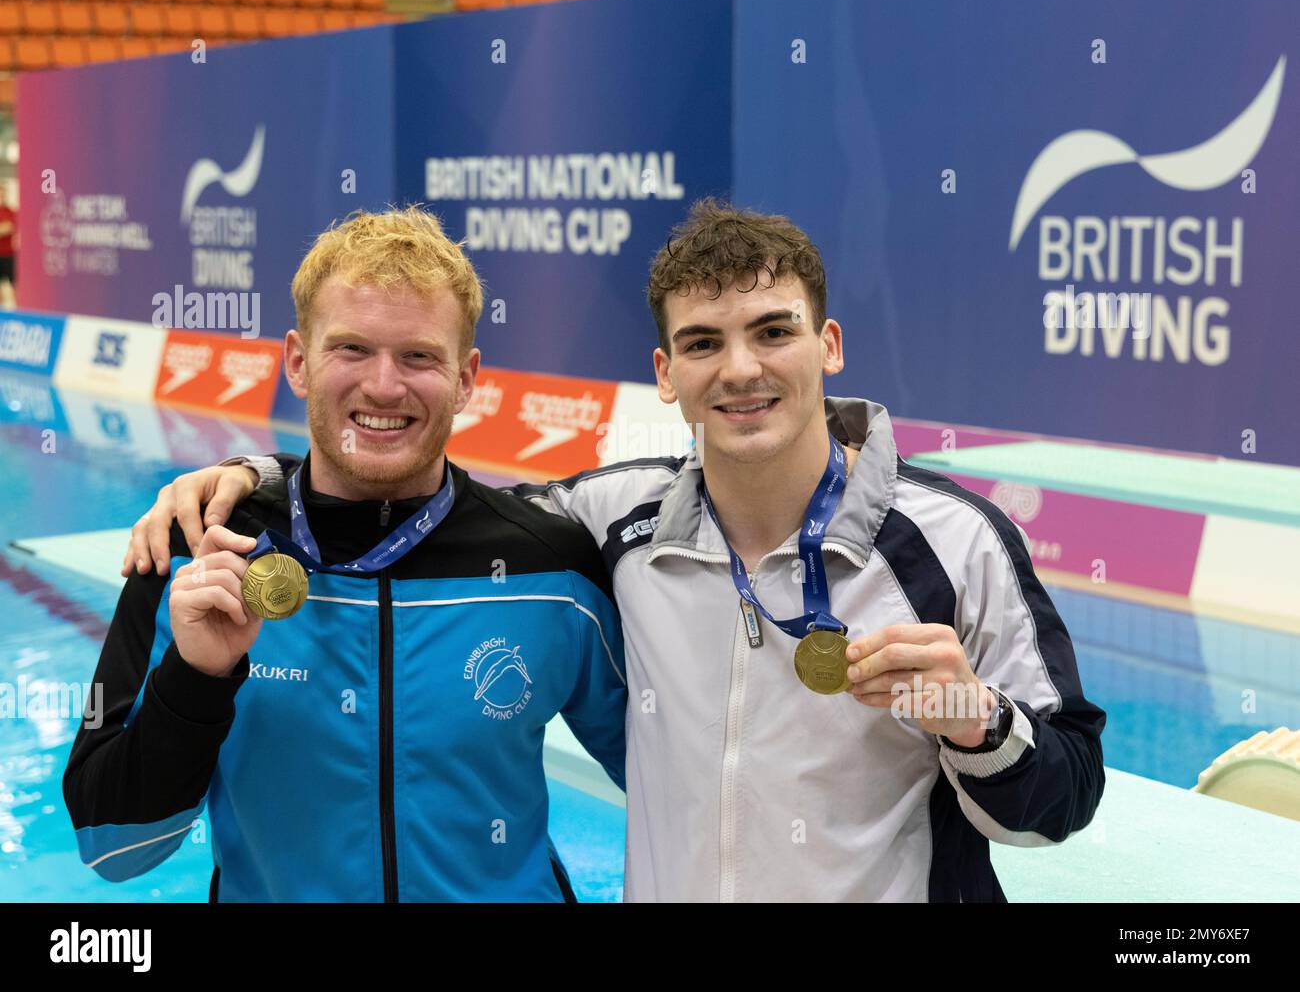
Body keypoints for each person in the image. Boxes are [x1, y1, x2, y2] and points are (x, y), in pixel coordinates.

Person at [125, 200, 1106, 902]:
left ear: (829, 343)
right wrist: (258, 477)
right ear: (663, 373)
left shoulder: (955, 542)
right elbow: (417, 501)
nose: (742, 367)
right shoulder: (608, 524)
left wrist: (973, 717)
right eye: (702, 341)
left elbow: (1064, 797)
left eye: (774, 331)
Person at [65, 207, 627, 902]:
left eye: (419, 355)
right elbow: (109, 847)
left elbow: (682, 787)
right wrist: (196, 678)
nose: (384, 386)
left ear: (467, 377)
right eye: (352, 349)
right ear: (298, 361)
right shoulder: (193, 551)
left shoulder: (551, 568)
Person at [0, 187, 16, 308]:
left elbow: (9, 228)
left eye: (2, 195)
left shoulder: (10, 212)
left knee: (13, 284)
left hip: (7, 255)